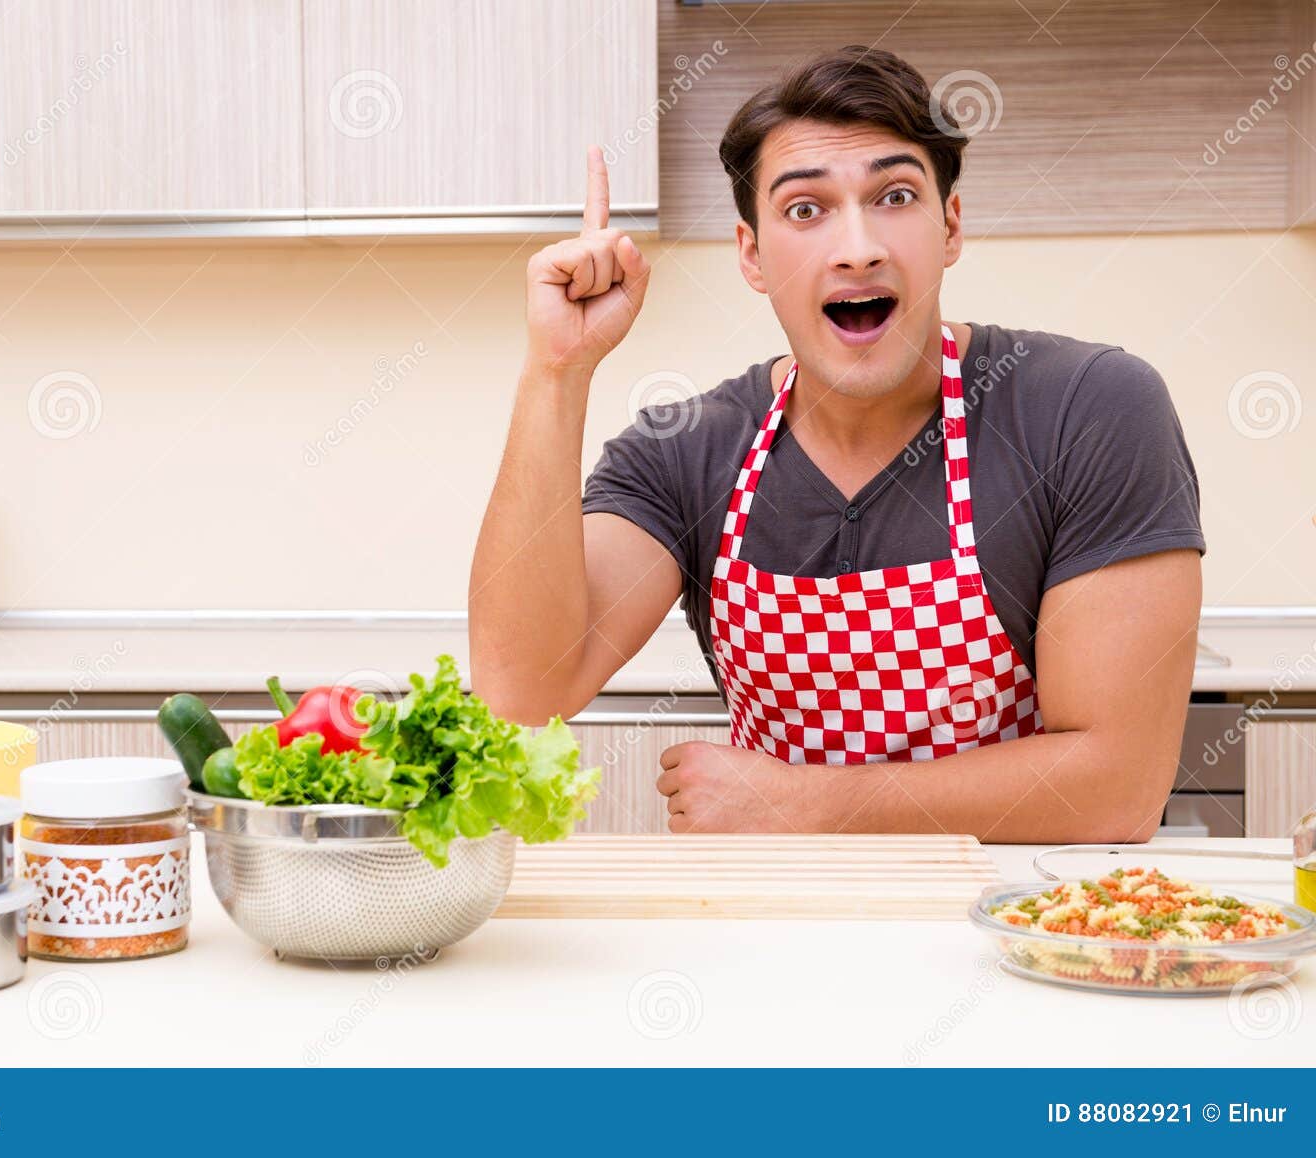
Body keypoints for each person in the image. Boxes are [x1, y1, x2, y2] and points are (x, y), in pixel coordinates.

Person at [468, 46, 1204, 842]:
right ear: (752, 254)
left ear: (949, 227)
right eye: (806, 210)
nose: (858, 248)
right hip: (778, 922)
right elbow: (520, 689)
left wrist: (810, 806)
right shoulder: (687, 451)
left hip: (1021, 928)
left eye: (894, 195)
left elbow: (1117, 787)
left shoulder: (1088, 411)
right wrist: (557, 372)